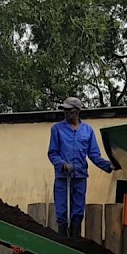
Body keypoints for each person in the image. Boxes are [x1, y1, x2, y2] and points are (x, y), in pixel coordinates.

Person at [48, 97, 113, 237]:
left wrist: (109, 166)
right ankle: (62, 240)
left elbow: (94, 154)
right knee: (62, 210)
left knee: (78, 210)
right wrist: (62, 165)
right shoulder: (57, 129)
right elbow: (53, 153)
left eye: (69, 111)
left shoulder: (87, 130)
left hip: (80, 176)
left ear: (77, 111)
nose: (66, 113)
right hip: (63, 176)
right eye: (64, 111)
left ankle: (75, 240)